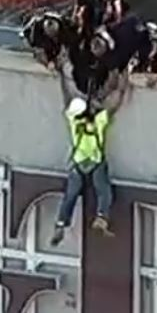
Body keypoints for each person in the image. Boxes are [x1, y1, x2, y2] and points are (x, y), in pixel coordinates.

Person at [49, 94, 117, 244]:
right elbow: (115, 105)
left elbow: (66, 102)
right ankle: (101, 216)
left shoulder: (75, 122)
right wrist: (125, 82)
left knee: (70, 196)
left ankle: (61, 223)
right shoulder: (99, 121)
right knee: (104, 191)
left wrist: (61, 76)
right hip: (96, 162)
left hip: (79, 164)